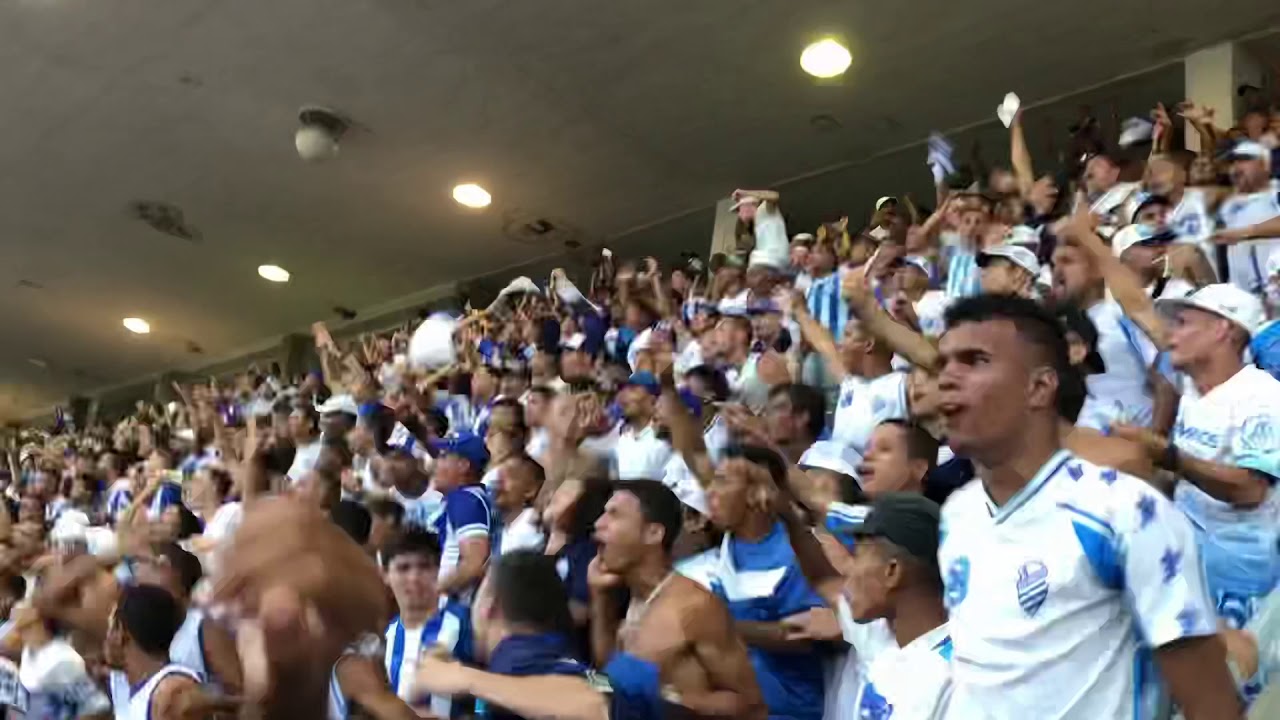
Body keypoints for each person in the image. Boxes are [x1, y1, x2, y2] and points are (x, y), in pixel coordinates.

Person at [935, 294, 1239, 719]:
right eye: (942, 363)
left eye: (974, 360)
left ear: (1039, 387)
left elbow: (1212, 705)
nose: (946, 377)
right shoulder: (957, 515)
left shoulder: (1124, 510)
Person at [1112, 284, 1280, 629]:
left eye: (1184, 323)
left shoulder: (1262, 396)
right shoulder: (1192, 391)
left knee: (1232, 677)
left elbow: (1250, 491)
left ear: (1223, 329)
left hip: (1242, 582)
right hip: (1188, 566)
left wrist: (1169, 456)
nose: (1171, 334)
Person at [413, 550, 700, 720]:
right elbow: (604, 686)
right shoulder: (562, 658)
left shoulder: (517, 660)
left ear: (490, 607)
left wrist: (464, 678)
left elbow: (593, 704)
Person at [588, 479, 766, 719]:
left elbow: (750, 704)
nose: (599, 524)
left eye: (614, 515)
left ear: (653, 533)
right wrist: (599, 597)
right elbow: (609, 673)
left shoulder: (695, 607)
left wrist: (673, 701)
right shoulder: (632, 596)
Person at [703, 447, 827, 720]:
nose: (710, 491)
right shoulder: (714, 553)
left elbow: (806, 637)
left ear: (757, 492)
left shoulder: (796, 553)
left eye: (722, 481)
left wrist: (720, 628)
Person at [836, 493, 952, 720]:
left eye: (858, 556)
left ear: (892, 572)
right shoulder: (889, 647)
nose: (849, 571)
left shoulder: (951, 678)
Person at [379, 530, 472, 716]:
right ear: (385, 575)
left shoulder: (465, 623)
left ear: (438, 570)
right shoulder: (386, 635)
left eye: (424, 567)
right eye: (403, 568)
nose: (414, 577)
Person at [103, 584, 228, 720]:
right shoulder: (142, 694)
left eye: (110, 626)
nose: (105, 637)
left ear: (120, 632)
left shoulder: (170, 694)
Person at [431, 433, 494, 606]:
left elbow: (475, 563)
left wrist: (431, 592)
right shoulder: (467, 498)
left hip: (459, 609)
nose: (435, 464)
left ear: (464, 466)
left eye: (444, 457)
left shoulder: (465, 499)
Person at [1213, 140, 1280, 295]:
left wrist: (1243, 232)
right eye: (1233, 162)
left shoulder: (1276, 192)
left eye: (1244, 160)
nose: (1236, 167)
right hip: (1243, 296)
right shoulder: (1228, 203)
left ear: (1265, 165)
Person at [613, 372, 673, 481]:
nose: (623, 397)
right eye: (622, 390)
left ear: (652, 400)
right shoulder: (620, 439)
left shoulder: (665, 439)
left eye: (632, 390)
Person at [493, 455, 547, 556]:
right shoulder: (502, 528)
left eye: (507, 477)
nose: (497, 482)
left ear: (530, 490)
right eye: (498, 476)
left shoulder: (530, 528)